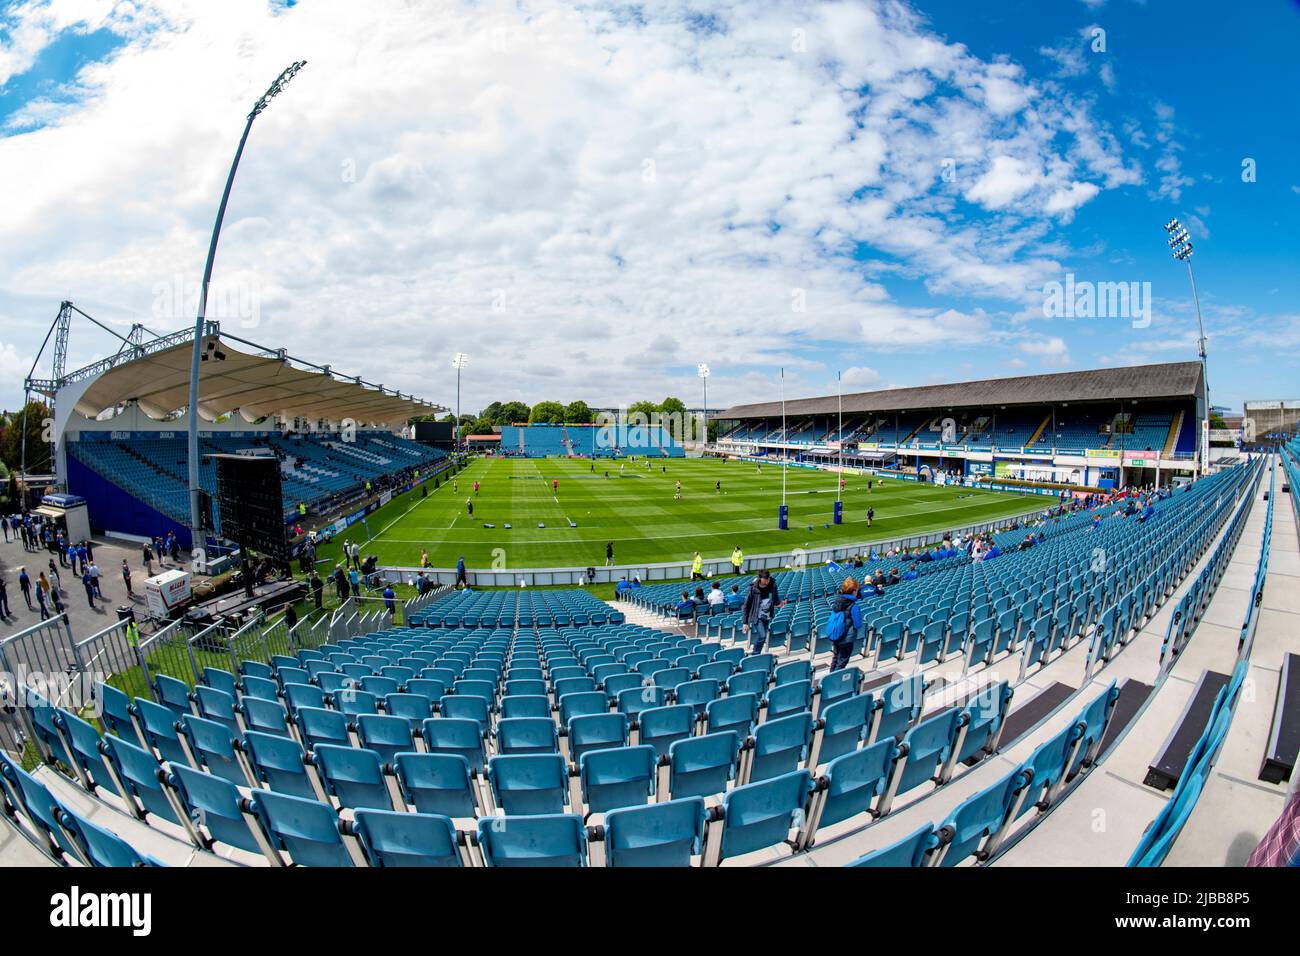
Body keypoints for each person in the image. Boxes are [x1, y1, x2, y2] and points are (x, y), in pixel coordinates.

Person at [827, 577, 862, 672]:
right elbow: (858, 624)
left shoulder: (837, 602)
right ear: (854, 591)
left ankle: (829, 677)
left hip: (836, 635)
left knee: (835, 658)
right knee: (842, 661)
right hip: (847, 638)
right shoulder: (854, 606)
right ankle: (834, 681)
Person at [741, 569, 780, 654]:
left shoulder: (773, 585)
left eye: (768, 579)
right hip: (757, 616)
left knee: (763, 637)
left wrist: (779, 603)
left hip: (767, 615)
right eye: (765, 579)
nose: (767, 581)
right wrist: (745, 622)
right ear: (760, 578)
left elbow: (776, 598)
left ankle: (757, 652)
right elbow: (746, 605)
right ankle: (755, 653)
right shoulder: (753, 588)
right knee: (762, 636)